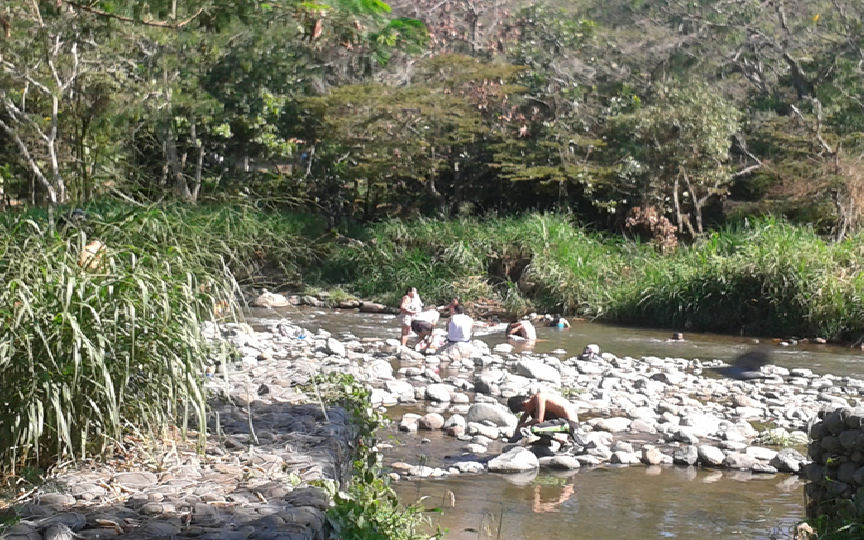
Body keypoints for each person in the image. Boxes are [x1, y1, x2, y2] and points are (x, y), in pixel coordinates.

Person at [506, 393, 589, 446]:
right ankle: (545, 441)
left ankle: (561, 439)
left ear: (524, 404)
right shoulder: (531, 403)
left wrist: (524, 425)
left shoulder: (539, 398)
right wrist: (517, 431)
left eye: (523, 410)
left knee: (535, 428)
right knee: (533, 414)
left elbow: (539, 420)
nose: (525, 412)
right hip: (562, 421)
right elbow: (524, 417)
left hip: (569, 424)